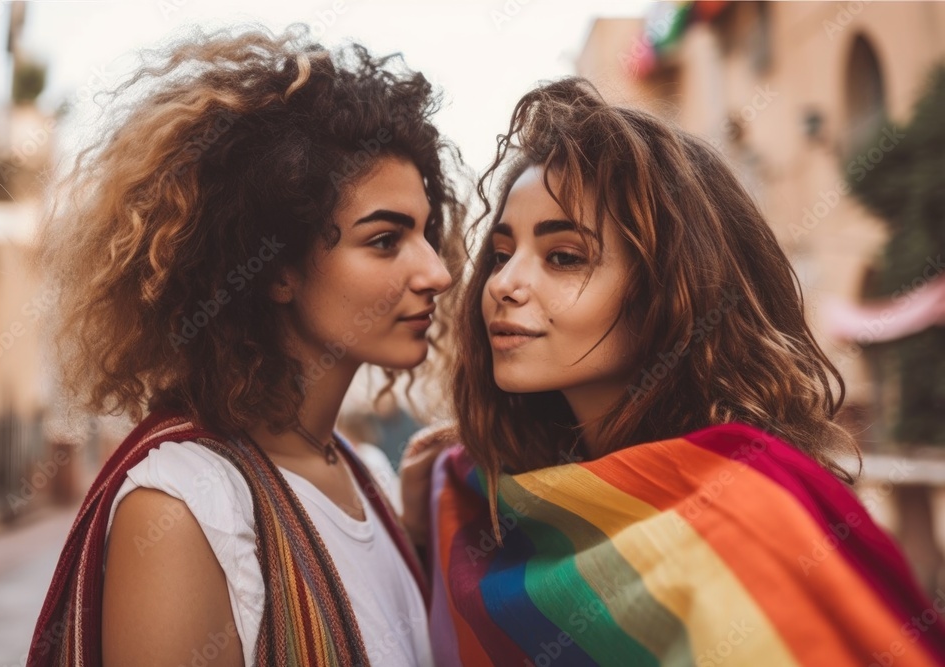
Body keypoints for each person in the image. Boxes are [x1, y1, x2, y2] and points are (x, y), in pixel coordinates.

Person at [402, 78, 945, 666]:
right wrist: (419, 528)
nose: (503, 285)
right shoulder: (482, 502)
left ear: (671, 293)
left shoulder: (747, 507)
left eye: (564, 257)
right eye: (503, 254)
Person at [28, 25, 464, 667]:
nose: (438, 273)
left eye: (427, 233)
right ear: (276, 267)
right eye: (384, 240)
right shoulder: (185, 508)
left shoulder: (367, 475)